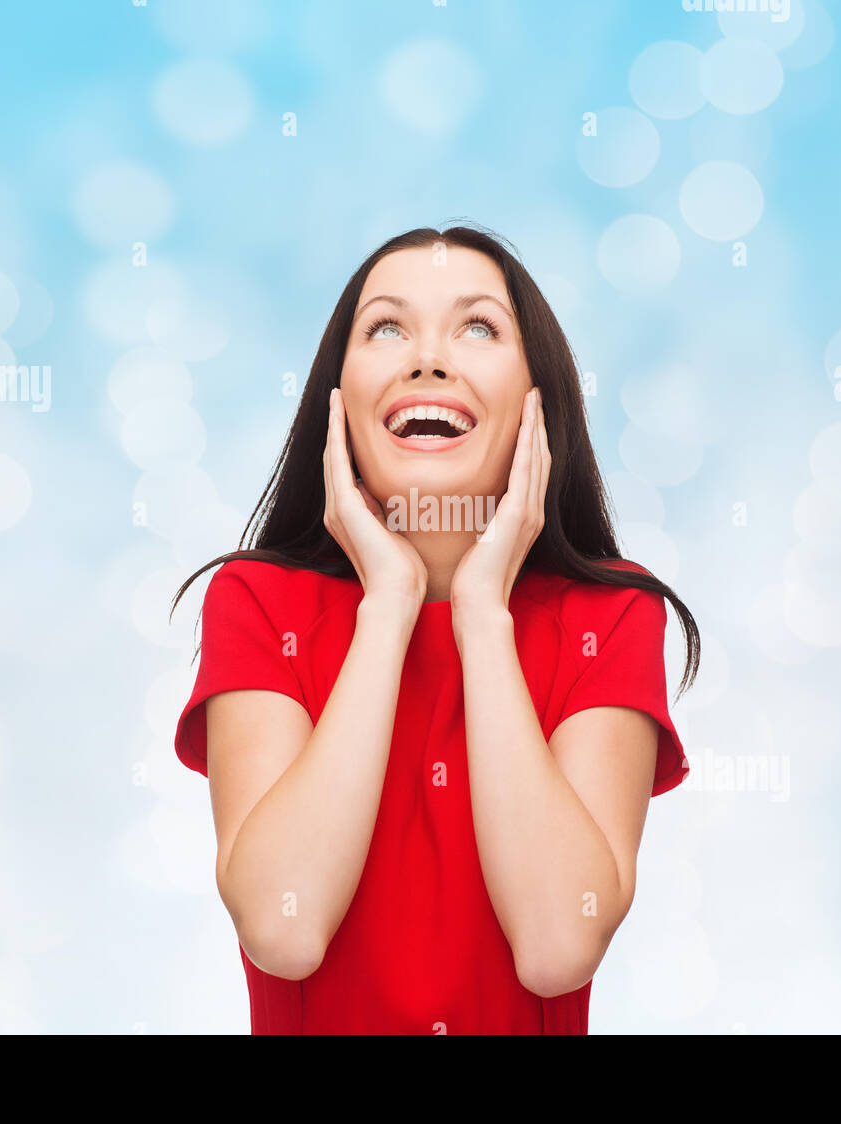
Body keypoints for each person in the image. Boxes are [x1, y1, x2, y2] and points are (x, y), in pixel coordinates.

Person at [170, 222, 700, 1034]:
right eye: (386, 327)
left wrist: (483, 611)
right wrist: (389, 600)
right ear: (335, 399)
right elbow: (284, 927)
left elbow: (559, 945)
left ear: (538, 397)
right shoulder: (259, 602)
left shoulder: (613, 616)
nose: (427, 359)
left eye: (479, 327)